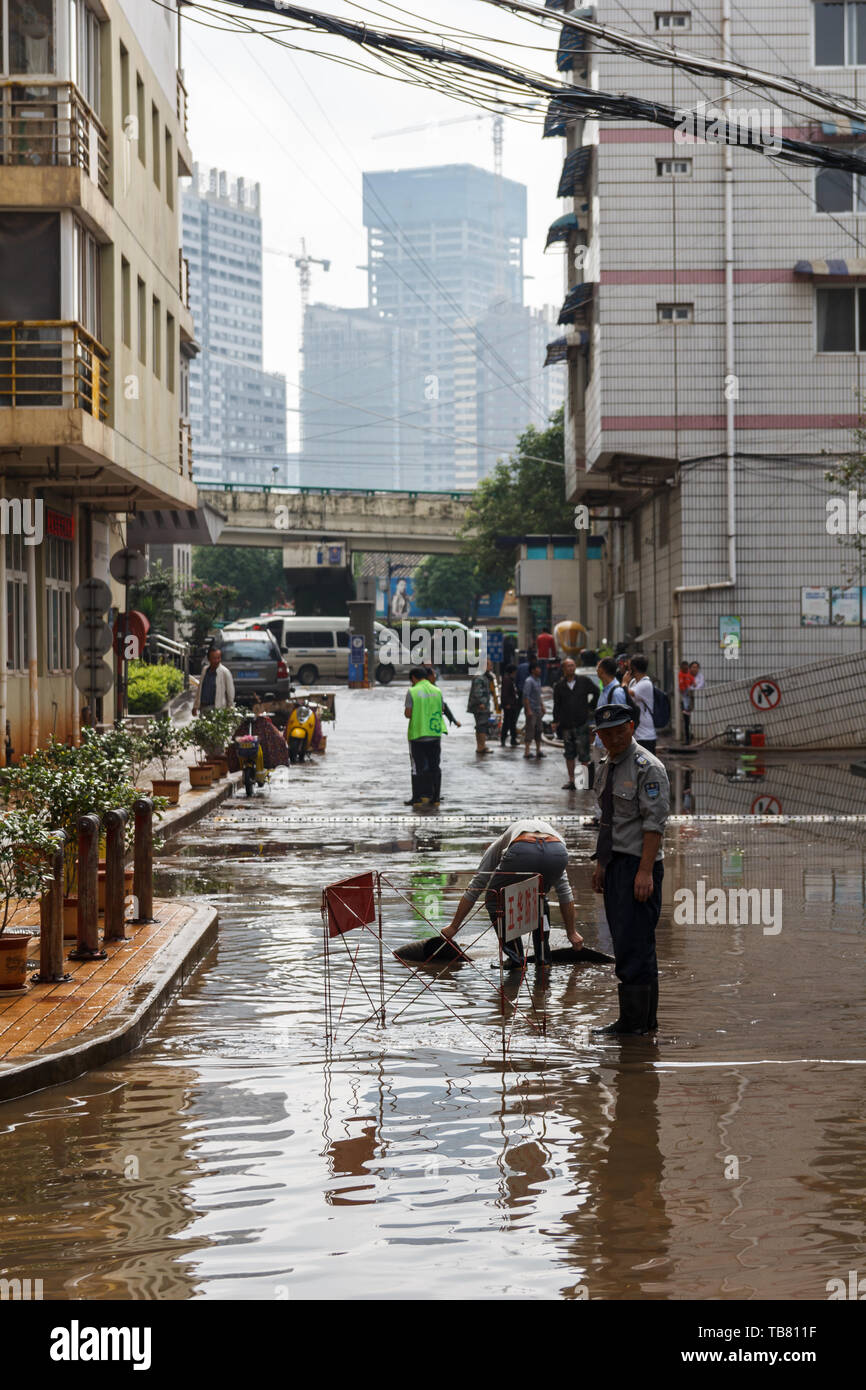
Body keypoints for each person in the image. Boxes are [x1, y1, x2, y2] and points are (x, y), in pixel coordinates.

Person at [590, 702, 670, 1035]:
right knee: (625, 943)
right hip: (616, 864)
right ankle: (640, 1023)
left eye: (618, 731)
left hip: (639, 864)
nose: (612, 738)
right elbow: (608, 820)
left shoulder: (647, 768)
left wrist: (645, 872)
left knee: (636, 945)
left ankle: (636, 1025)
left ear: (632, 727)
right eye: (605, 733)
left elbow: (655, 825)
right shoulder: (606, 765)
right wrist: (602, 865)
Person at [441, 819, 585, 968]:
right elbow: (564, 892)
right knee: (539, 896)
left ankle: (516, 958)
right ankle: (543, 959)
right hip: (558, 851)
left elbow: (478, 884)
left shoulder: (499, 844)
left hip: (523, 849)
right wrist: (572, 932)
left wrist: (454, 926)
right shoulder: (550, 838)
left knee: (494, 899)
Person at [552, 657, 599, 790]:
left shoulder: (584, 681)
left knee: (584, 754)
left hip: (581, 723)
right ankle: (572, 780)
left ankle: (582, 781)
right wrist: (556, 721)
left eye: (573, 665)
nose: (571, 668)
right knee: (569, 753)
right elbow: (557, 705)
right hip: (566, 725)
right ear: (563, 669)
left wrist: (590, 708)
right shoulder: (559, 686)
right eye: (568, 666)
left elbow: (596, 692)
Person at [404, 666, 445, 807]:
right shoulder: (437, 690)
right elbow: (442, 709)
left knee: (418, 767)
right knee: (435, 766)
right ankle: (436, 798)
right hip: (434, 733)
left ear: (414, 678)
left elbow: (408, 713)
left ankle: (417, 798)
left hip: (417, 734)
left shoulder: (412, 691)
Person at [627, 652, 657, 755]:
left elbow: (628, 692)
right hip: (636, 733)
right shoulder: (634, 682)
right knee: (637, 766)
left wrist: (623, 683)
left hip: (646, 735)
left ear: (634, 667)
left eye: (630, 666)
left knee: (646, 767)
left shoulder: (646, 684)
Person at [193, 646, 235, 714]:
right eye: (214, 658)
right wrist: (195, 706)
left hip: (217, 710)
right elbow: (200, 689)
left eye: (218, 658)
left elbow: (230, 693)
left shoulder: (225, 672)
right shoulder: (205, 670)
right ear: (209, 659)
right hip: (203, 708)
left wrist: (230, 709)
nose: (216, 661)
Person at [467, 658, 495, 755]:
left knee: (480, 726)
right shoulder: (480, 677)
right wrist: (481, 703)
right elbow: (477, 692)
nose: (491, 667)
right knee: (482, 726)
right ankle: (481, 747)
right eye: (489, 665)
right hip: (480, 707)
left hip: (480, 706)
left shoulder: (484, 676)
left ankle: (480, 746)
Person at [522, 661, 545, 759]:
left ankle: (538, 750)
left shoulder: (538, 680)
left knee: (539, 730)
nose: (539, 670)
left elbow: (539, 695)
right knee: (530, 730)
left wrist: (542, 706)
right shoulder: (529, 681)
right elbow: (526, 696)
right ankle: (527, 751)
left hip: (538, 709)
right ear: (532, 670)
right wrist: (528, 710)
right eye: (537, 668)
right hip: (531, 710)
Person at [499, 663, 520, 747]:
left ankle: (513, 739)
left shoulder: (510, 680)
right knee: (507, 723)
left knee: (512, 723)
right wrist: (507, 704)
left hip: (512, 705)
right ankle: (504, 739)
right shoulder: (507, 680)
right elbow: (505, 693)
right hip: (509, 705)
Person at [678, 660, 695, 745]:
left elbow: (694, 683)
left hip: (688, 701)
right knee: (686, 721)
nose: (686, 669)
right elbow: (682, 689)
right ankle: (687, 739)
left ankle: (688, 739)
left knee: (687, 721)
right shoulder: (681, 675)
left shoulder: (688, 675)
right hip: (685, 701)